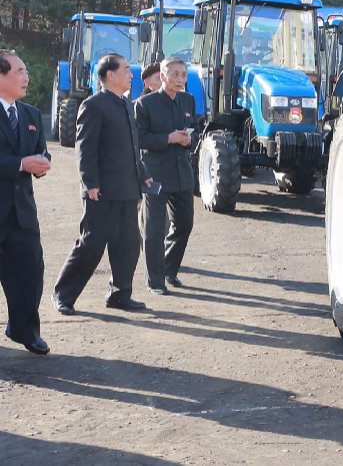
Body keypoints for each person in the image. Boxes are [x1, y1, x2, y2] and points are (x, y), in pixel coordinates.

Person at [53, 53, 153, 314]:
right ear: (110, 75)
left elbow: (131, 147)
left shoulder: (126, 104)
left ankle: (120, 294)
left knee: (129, 245)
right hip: (102, 190)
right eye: (126, 69)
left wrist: (142, 173)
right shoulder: (94, 105)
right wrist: (90, 183)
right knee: (91, 245)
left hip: (128, 189)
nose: (131, 74)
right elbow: (85, 149)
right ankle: (63, 294)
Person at [0, 50, 51, 355]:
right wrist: (21, 164)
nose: (26, 76)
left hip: (21, 214)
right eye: (19, 71)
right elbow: (20, 161)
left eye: (26, 70)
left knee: (31, 274)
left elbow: (41, 151)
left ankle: (25, 331)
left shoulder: (31, 114)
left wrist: (43, 163)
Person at [135, 57, 197, 293]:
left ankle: (169, 269)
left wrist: (190, 139)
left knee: (184, 224)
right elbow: (139, 139)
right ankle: (156, 281)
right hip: (155, 173)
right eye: (175, 74)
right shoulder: (144, 104)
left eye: (183, 74)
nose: (180, 79)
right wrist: (168, 138)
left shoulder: (187, 100)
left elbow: (197, 128)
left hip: (182, 173)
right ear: (162, 76)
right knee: (153, 230)